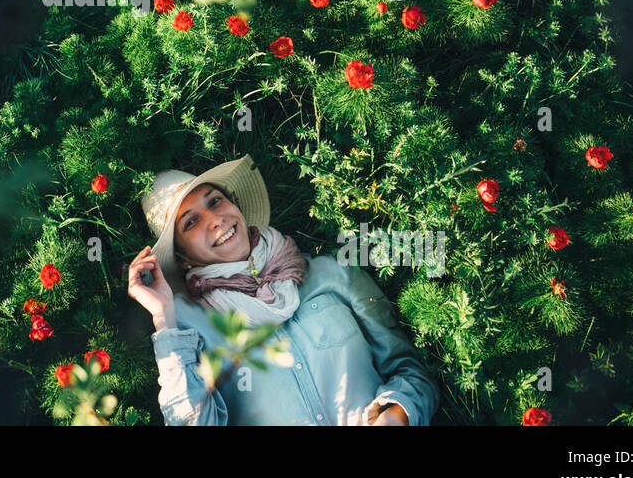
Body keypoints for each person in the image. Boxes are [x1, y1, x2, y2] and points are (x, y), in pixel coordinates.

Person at [127, 153, 440, 425]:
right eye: (191, 222)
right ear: (181, 258)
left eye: (215, 201)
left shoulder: (331, 273)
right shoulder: (188, 324)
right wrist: (163, 319)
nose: (215, 219)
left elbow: (411, 370)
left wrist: (395, 414)